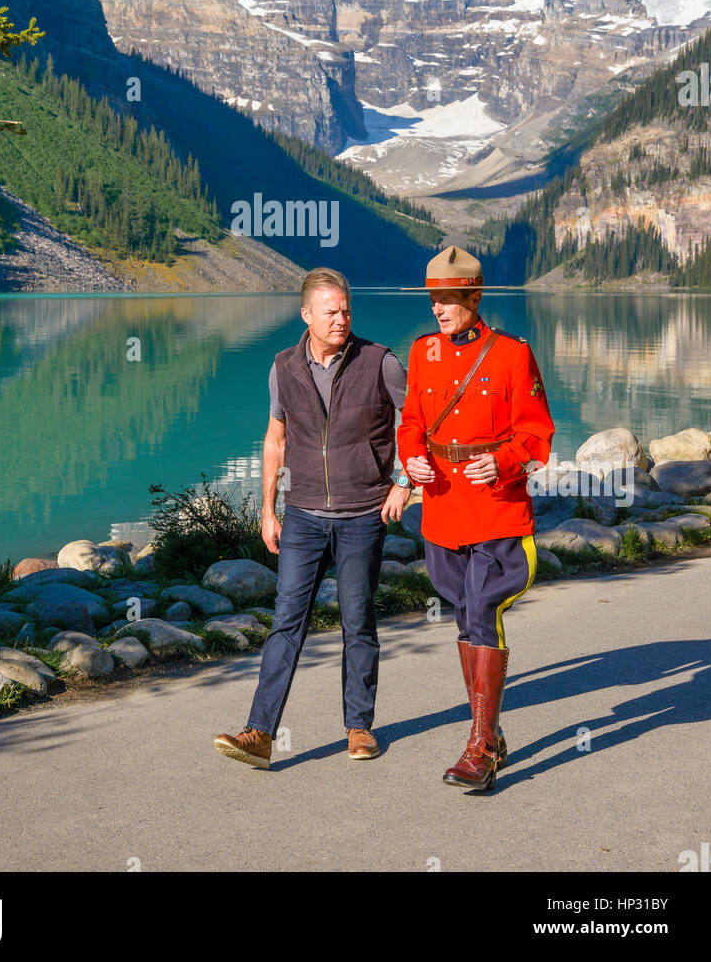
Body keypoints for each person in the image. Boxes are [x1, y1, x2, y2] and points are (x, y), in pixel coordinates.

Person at [213, 267, 409, 769]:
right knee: (285, 623)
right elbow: (275, 440)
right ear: (306, 315)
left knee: (358, 621)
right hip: (301, 516)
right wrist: (267, 508)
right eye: (331, 311)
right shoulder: (283, 367)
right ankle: (260, 733)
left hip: (362, 513)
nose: (342, 318)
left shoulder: (380, 362)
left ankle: (359, 727)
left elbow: (419, 423)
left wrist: (405, 484)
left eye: (346, 310)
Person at [397, 245, 554, 791]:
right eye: (433, 299)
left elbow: (537, 437)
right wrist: (411, 456)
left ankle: (481, 746)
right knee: (464, 612)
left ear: (474, 296)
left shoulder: (512, 355)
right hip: (441, 509)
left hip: (496, 511)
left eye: (447, 299)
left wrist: (505, 461)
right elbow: (413, 419)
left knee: (483, 606)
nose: (438, 308)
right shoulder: (422, 353)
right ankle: (490, 731)